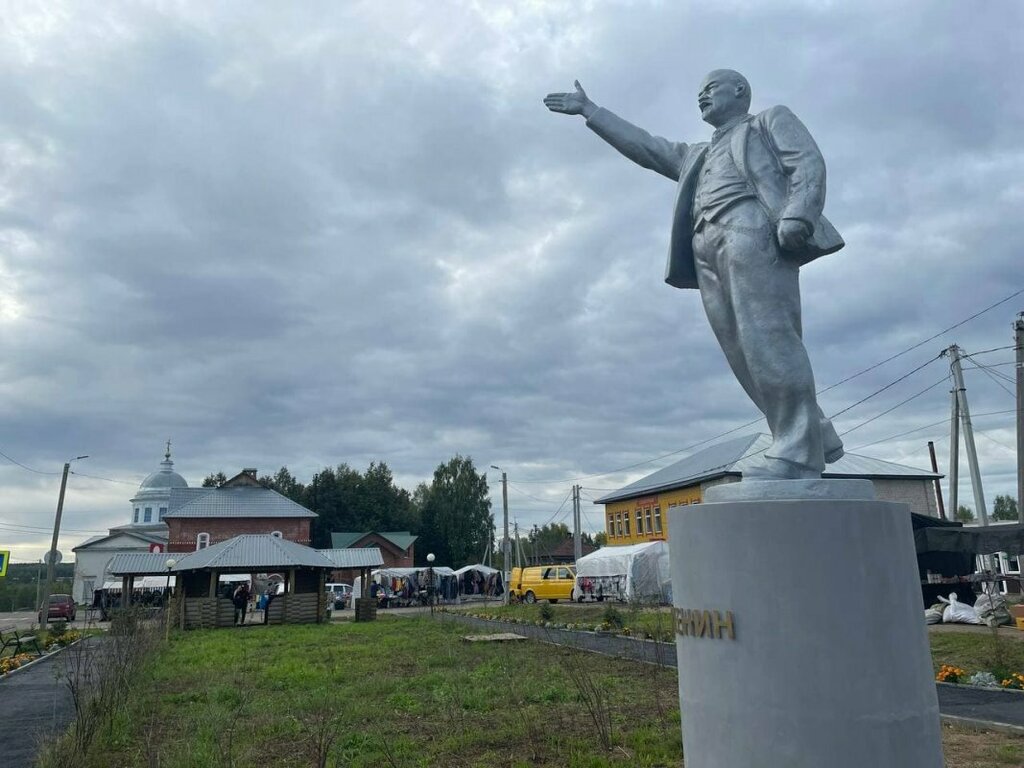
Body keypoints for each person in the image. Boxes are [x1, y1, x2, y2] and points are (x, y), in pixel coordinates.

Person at [544, 71, 845, 480]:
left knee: (769, 338)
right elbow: (647, 147)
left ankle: (798, 450)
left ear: (739, 91)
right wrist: (590, 111)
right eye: (699, 92)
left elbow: (807, 162)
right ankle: (814, 433)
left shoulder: (768, 121)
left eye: (710, 88)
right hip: (705, 248)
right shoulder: (697, 155)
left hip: (751, 231)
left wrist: (799, 215)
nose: (701, 96)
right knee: (742, 352)